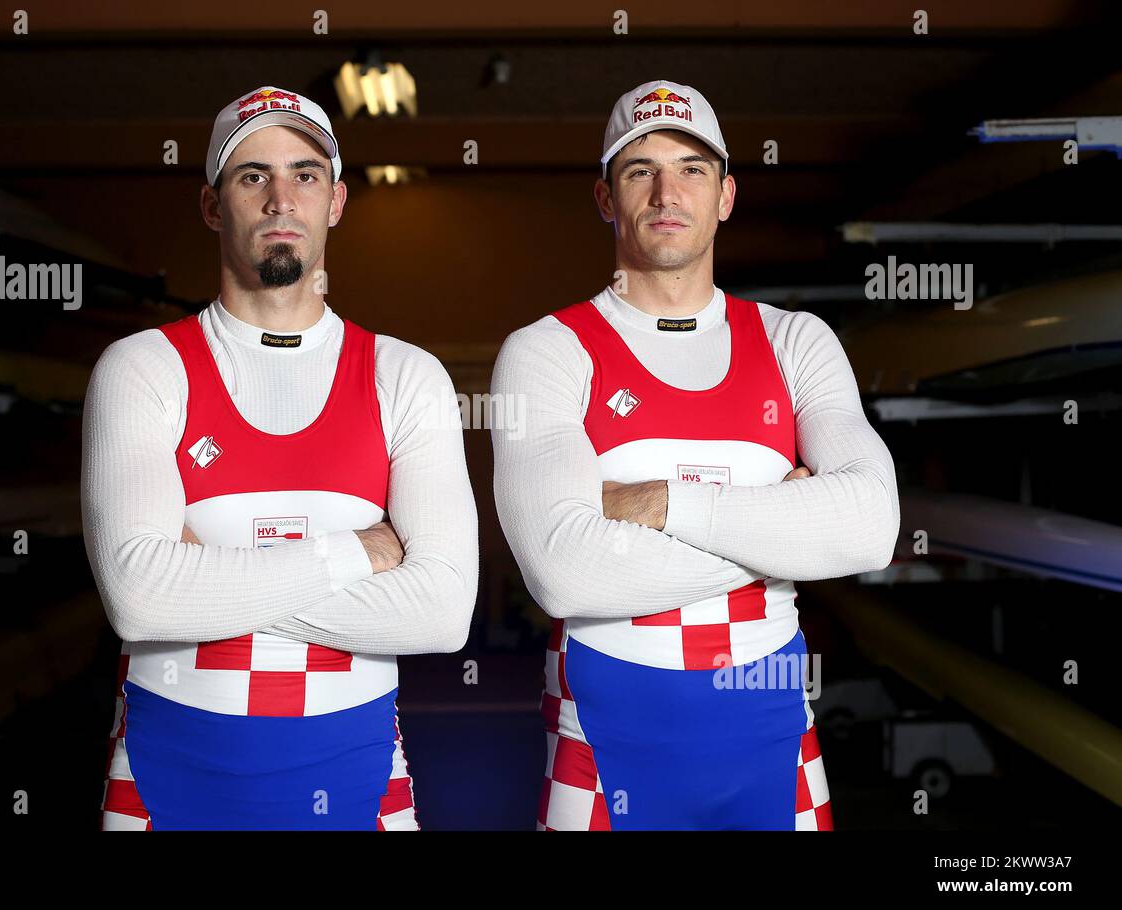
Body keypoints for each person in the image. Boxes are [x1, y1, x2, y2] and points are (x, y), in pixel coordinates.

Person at [491, 80, 899, 830]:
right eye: (640, 170)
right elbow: (562, 571)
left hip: (773, 743)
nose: (666, 191)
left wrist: (662, 504)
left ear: (727, 196)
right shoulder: (549, 351)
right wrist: (786, 530)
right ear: (606, 198)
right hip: (604, 741)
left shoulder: (795, 341)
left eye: (692, 169)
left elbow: (871, 529)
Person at [82, 86, 478, 830]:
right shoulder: (143, 369)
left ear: (336, 202)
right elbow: (139, 599)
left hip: (359, 784)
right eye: (251, 176)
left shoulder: (404, 375)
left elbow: (442, 613)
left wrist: (208, 583)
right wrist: (355, 555)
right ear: (211, 205)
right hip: (167, 786)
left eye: (305, 174)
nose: (280, 199)